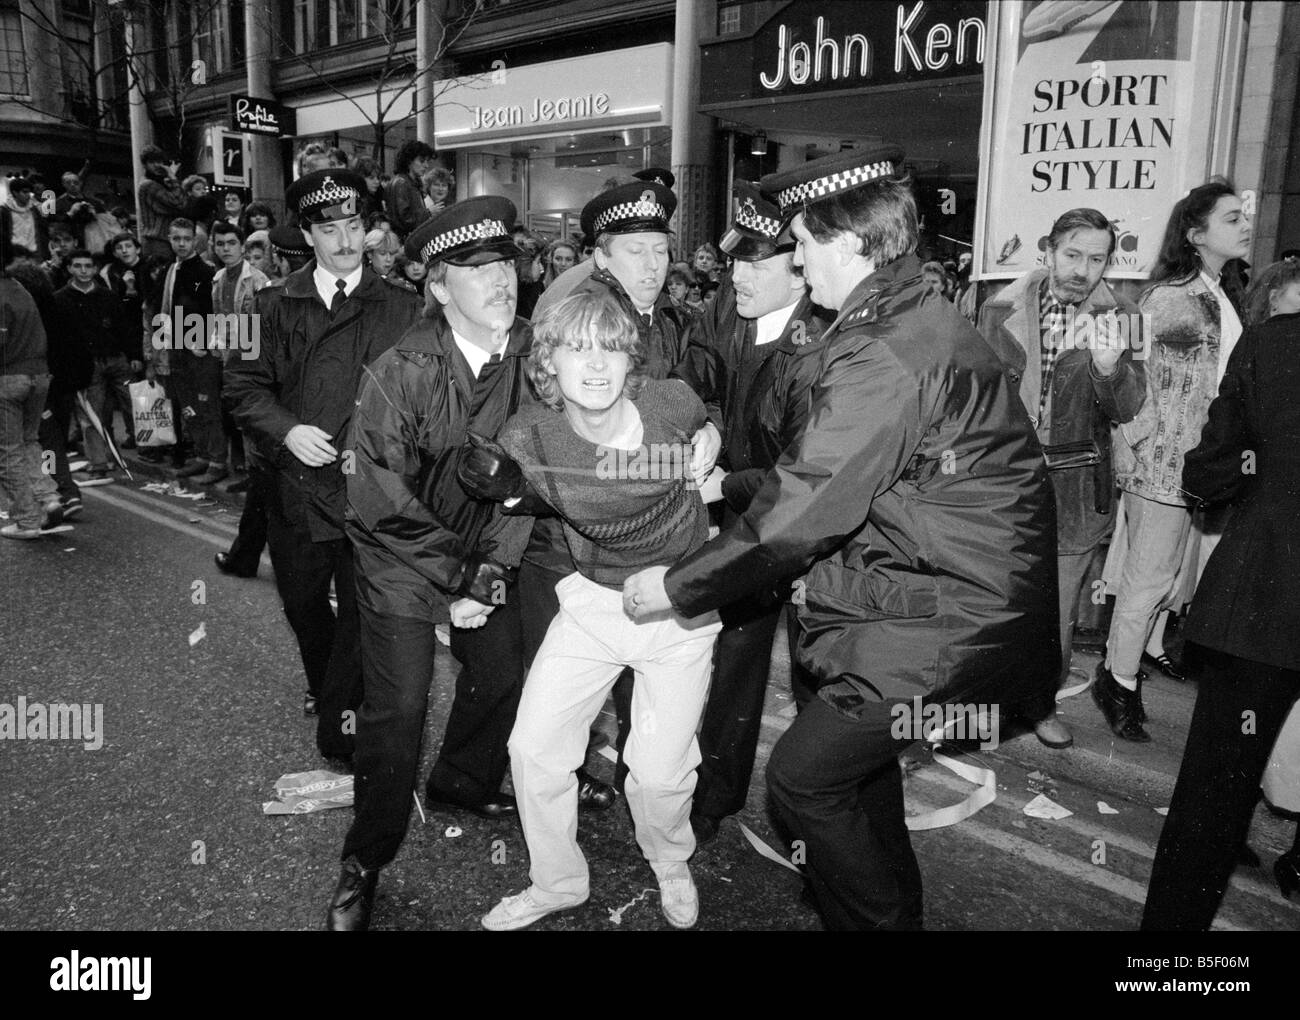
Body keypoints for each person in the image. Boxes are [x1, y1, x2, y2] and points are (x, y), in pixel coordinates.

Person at [622, 146, 1058, 930]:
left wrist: (680, 583)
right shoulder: (900, 318)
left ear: (851, 242)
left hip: (946, 616)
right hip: (926, 597)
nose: (795, 257)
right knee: (858, 780)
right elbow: (840, 473)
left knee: (805, 779)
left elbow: (811, 500)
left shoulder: (885, 349)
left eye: (803, 241)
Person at [452, 289, 721, 931]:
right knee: (534, 748)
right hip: (594, 603)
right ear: (549, 363)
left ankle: (669, 857)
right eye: (577, 349)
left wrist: (710, 437)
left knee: (657, 776)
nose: (595, 366)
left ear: (632, 361)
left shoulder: (669, 404)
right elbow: (509, 515)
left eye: (609, 349)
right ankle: (558, 882)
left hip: (679, 606)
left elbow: (710, 416)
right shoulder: (530, 434)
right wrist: (479, 584)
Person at [327, 198, 532, 931]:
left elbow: (536, 476)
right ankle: (364, 860)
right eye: (477, 271)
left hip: (486, 554)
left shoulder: (536, 356)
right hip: (400, 561)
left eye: (506, 264)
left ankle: (461, 781)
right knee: (398, 711)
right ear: (440, 288)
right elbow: (379, 500)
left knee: (503, 673)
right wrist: (459, 578)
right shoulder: (400, 371)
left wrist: (492, 569)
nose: (501, 281)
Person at [521, 180, 715, 795]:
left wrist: (712, 429)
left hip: (658, 536)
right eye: (636, 251)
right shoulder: (576, 319)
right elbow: (544, 425)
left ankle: (645, 790)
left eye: (661, 249)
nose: (654, 265)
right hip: (574, 535)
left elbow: (694, 399)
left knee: (647, 695)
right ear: (601, 255)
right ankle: (581, 781)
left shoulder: (670, 318)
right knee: (559, 698)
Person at [225, 169, 421, 752]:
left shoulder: (403, 307)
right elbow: (240, 386)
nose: (344, 241)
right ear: (307, 236)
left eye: (354, 226)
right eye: (329, 229)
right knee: (304, 602)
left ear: (368, 231)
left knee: (364, 608)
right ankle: (326, 683)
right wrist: (287, 430)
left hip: (371, 488)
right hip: (295, 485)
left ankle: (344, 710)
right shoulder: (267, 305)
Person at [1140, 282, 1300, 930]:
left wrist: (1255, 473)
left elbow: (1209, 471)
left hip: (1269, 594)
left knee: (1213, 801)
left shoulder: (1274, 341)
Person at [670, 181, 826, 842]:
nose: (738, 274)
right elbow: (692, 381)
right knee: (727, 656)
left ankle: (810, 819)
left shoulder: (819, 344)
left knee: (814, 673)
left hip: (806, 532)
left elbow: (808, 472)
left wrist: (724, 486)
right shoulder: (724, 313)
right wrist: (700, 423)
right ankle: (709, 789)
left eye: (757, 263)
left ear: (802, 268)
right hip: (733, 517)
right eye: (737, 258)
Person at [978, 208, 1146, 749]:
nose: (1083, 269)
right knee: (993, 598)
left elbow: (1128, 406)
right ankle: (986, 705)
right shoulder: (998, 307)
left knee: (1058, 608)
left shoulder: (1122, 315)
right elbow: (974, 396)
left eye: (1096, 259)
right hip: (1006, 479)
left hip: (1076, 487)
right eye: (1073, 254)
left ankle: (1040, 704)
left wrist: (1108, 368)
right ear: (1048, 250)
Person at [1096, 181, 1251, 741]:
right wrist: (1134, 449)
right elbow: (1123, 373)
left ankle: (1129, 663)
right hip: (1163, 467)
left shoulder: (1218, 290)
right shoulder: (1173, 298)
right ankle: (1117, 681)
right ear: (1196, 233)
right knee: (1149, 581)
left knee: (1163, 581)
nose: (1244, 225)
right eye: (1230, 219)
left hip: (1193, 465)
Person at [215, 225, 315, 576]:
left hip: (280, 421)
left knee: (273, 496)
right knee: (266, 494)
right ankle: (244, 557)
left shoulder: (271, 298)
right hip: (299, 421)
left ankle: (253, 559)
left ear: (284, 262)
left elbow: (249, 367)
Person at [0, 211, 64, 540]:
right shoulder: (20, 290)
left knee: (7, 451)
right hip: (39, 375)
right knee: (29, 442)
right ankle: (49, 497)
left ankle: (26, 520)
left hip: (9, 379)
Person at [152, 218, 219, 479]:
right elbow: (161, 309)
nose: (181, 243)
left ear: (195, 240)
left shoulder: (205, 271)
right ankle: (202, 455)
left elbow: (211, 309)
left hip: (198, 350)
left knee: (207, 407)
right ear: (169, 239)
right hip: (175, 347)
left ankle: (217, 461)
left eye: (186, 239)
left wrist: (201, 342)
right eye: (176, 238)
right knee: (188, 407)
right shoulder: (171, 270)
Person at [54, 249, 127, 484]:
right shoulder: (60, 299)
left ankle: (150, 448)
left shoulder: (108, 296)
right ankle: (99, 463)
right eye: (78, 266)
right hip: (85, 364)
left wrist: (133, 354)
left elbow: (124, 327)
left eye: (88, 266)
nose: (84, 271)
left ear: (95, 269)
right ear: (70, 269)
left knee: (135, 403)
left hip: (115, 357)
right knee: (91, 415)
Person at [208, 220, 271, 486]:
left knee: (251, 416)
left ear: (241, 246)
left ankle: (255, 472)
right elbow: (219, 315)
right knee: (232, 414)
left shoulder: (256, 278)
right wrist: (215, 341)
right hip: (228, 356)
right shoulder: (218, 278)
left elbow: (266, 319)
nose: (226, 249)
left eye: (231, 243)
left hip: (251, 356)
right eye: (220, 244)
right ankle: (243, 467)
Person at [136, 146, 188, 266]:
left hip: (159, 240)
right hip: (157, 242)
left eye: (159, 161)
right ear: (145, 164)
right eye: (152, 162)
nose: (157, 165)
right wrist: (172, 176)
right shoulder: (149, 185)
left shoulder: (155, 183)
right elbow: (179, 203)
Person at [388, 140, 435, 239]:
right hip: (405, 241)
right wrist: (429, 213)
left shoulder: (408, 182)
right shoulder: (402, 183)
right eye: (422, 161)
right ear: (409, 161)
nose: (426, 165)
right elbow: (405, 219)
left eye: (427, 161)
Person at [5, 177, 48, 260]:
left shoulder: (33, 209)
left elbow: (42, 231)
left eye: (29, 192)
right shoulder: (5, 211)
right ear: (15, 193)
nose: (28, 195)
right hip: (14, 255)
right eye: (25, 192)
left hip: (35, 254)